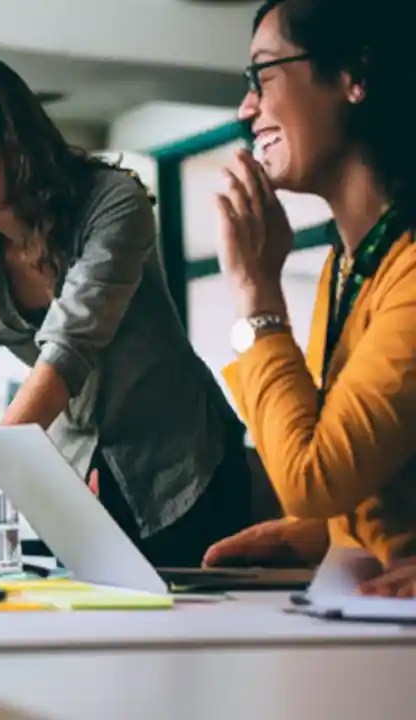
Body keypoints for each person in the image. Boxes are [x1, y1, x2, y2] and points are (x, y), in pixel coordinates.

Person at [0, 51, 252, 567]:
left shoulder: (113, 202)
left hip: (185, 469)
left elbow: (66, 354)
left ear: (9, 138)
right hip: (80, 477)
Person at [203, 0, 416, 586]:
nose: (248, 107)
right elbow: (367, 471)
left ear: (356, 77)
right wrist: (324, 532)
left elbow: (311, 476)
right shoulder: (346, 265)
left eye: (262, 75)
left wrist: (256, 294)